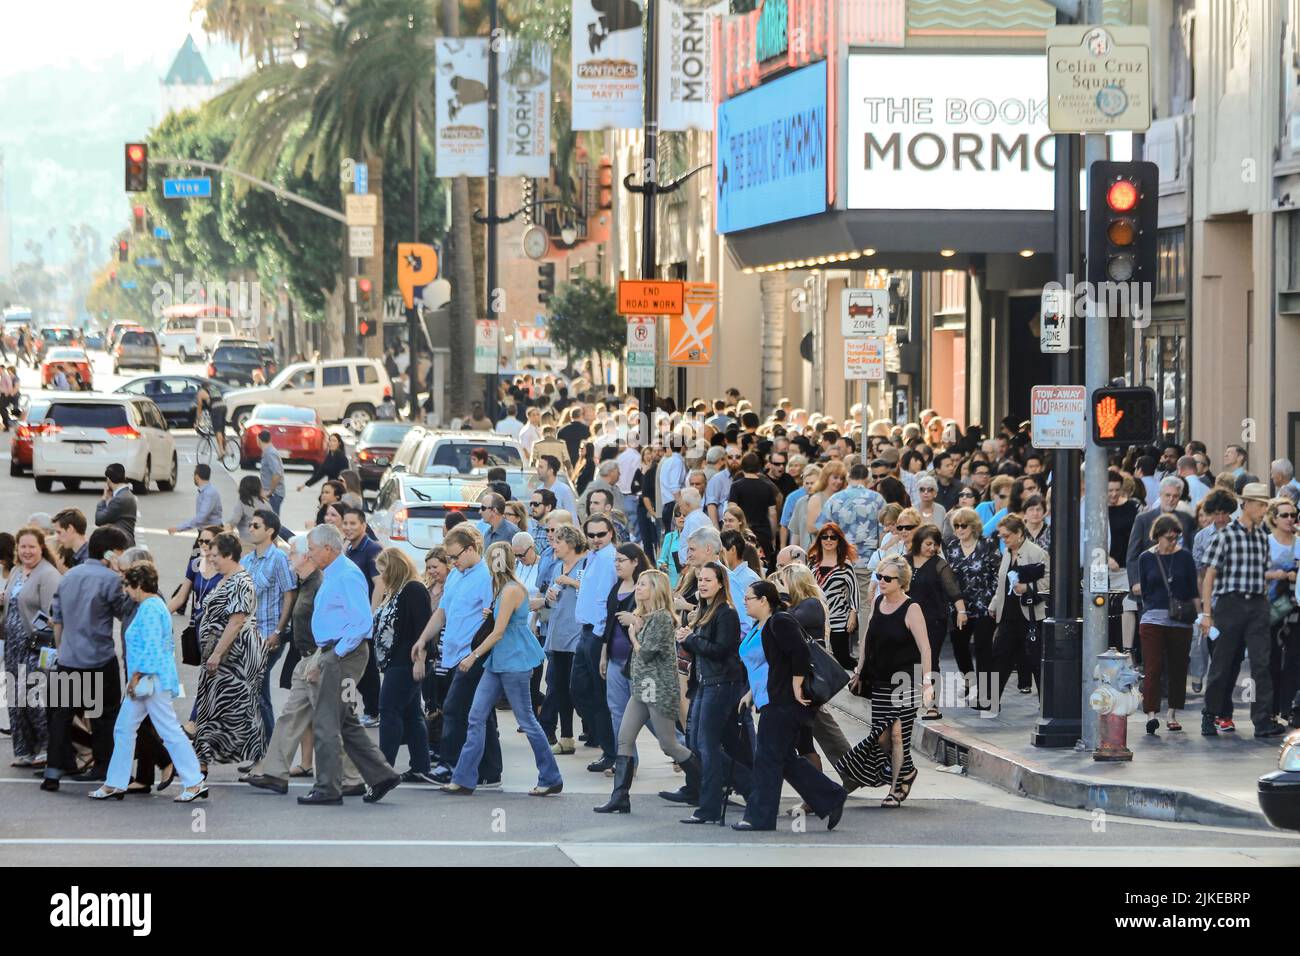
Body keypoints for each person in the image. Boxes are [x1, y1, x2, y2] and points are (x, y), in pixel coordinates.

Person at [440, 543, 564, 796]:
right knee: (476, 716)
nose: (494, 563)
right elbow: (509, 618)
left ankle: (550, 776)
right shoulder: (503, 589)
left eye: (496, 559)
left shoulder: (508, 590)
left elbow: (498, 632)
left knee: (527, 720)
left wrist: (472, 656)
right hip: (499, 662)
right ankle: (464, 778)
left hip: (513, 662)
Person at [244, 534, 364, 795]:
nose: (290, 559)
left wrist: (324, 658)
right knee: (292, 715)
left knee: (334, 722)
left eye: (294, 554)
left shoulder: (325, 580)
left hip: (322, 657)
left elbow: (352, 623)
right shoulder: (307, 582)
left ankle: (352, 778)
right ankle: (275, 773)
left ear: (307, 556)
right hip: (308, 657)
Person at [297, 523, 403, 805]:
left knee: (326, 721)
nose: (308, 555)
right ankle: (381, 775)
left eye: (311, 549)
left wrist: (334, 655)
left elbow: (362, 622)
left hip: (344, 655)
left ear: (328, 549)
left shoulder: (345, 575)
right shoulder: (335, 573)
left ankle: (327, 787)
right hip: (336, 652)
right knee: (344, 721)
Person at [732, 581, 847, 831]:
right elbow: (766, 664)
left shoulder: (780, 621)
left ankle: (759, 817)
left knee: (766, 759)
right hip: (770, 698)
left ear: (764, 600)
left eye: (749, 598)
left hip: (784, 701)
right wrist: (751, 693)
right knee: (782, 759)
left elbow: (800, 653)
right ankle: (831, 795)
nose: (745, 601)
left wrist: (796, 685)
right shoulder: (759, 625)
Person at [88, 564, 208, 803]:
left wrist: (135, 677)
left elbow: (151, 647)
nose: (126, 590)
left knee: (164, 729)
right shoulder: (153, 606)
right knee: (126, 728)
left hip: (149, 681)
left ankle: (194, 782)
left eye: (128, 585)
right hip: (150, 680)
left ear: (139, 586)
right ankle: (116, 782)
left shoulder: (150, 608)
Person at [593, 569, 699, 813]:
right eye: (638, 584)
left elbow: (647, 653)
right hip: (642, 687)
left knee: (669, 744)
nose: (638, 588)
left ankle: (704, 785)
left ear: (656, 590)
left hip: (658, 687)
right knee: (624, 738)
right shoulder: (645, 616)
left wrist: (633, 635)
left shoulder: (661, 618)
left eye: (643, 585)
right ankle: (620, 796)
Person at [40, 526, 133, 790]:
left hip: (68, 656)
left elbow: (56, 619)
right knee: (104, 714)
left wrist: (62, 650)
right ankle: (102, 765)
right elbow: (123, 612)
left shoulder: (69, 576)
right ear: (109, 553)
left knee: (61, 716)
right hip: (98, 657)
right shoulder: (111, 580)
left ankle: (54, 771)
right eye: (119, 552)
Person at [836, 555, 934, 806]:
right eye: (879, 576)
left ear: (901, 582)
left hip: (906, 681)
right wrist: (859, 670)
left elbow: (925, 648)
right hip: (880, 679)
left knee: (899, 733)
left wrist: (927, 683)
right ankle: (907, 772)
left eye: (887, 578)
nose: (881, 581)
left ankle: (894, 790)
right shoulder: (878, 602)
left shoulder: (912, 608)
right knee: (881, 737)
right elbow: (867, 638)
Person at [413, 525, 502, 787]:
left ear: (471, 549)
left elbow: (493, 621)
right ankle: (490, 770)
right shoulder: (456, 576)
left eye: (455, 557)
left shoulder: (485, 577)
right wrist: (423, 638)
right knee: (480, 714)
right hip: (452, 655)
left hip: (472, 656)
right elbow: (442, 612)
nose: (453, 562)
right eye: (449, 558)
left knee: (453, 709)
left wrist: (477, 655)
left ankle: (449, 764)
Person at [1200, 483, 1289, 738]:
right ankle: (1210, 714)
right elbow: (1209, 576)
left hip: (1257, 604)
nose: (1264, 510)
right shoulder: (1225, 535)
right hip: (1230, 604)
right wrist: (1207, 614)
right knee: (1222, 663)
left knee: (1261, 663)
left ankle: (1262, 721)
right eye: (1260, 505)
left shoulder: (1262, 536)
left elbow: (1261, 572)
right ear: (1247, 504)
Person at [676, 561, 749, 824]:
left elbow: (721, 649)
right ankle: (750, 785)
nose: (703, 584)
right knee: (696, 744)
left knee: (706, 746)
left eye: (708, 579)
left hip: (721, 684)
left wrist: (690, 639)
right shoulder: (705, 610)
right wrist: (689, 636)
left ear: (720, 583)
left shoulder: (725, 612)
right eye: (701, 580)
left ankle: (709, 807)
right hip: (705, 683)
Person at [193, 533, 267, 776]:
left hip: (235, 658)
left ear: (228, 555)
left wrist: (216, 653)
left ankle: (259, 762)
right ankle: (201, 760)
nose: (211, 560)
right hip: (220, 656)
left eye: (215, 555)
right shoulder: (225, 578)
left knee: (241, 709)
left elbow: (236, 622)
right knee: (210, 707)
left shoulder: (241, 582)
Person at [372, 547, 435, 781]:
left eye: (384, 571)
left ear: (395, 568)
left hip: (407, 660)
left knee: (389, 710)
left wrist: (420, 660)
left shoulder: (413, 589)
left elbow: (423, 628)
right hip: (394, 660)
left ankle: (383, 768)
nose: (382, 576)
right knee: (411, 714)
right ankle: (421, 766)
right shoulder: (394, 591)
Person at [1133, 514, 1199, 734]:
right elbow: (1144, 587)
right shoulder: (1146, 558)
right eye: (1168, 538)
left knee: (1178, 668)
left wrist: (1200, 615)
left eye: (1176, 538)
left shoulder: (1185, 557)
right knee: (1152, 667)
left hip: (1180, 620)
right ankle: (1151, 713)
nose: (1173, 542)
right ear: (1157, 537)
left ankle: (1172, 712)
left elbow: (1193, 590)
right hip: (1153, 617)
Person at [3, 526, 63, 769]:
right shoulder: (17, 571)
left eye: (32, 547)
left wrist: (51, 653)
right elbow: (13, 599)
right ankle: (24, 749)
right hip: (13, 644)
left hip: (37, 646)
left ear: (41, 548)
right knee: (16, 700)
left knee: (34, 698)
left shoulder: (48, 575)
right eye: (23, 546)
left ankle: (47, 747)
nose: (26, 551)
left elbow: (52, 614)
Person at [241, 510, 297, 738]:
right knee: (252, 692)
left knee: (258, 689)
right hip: (248, 636)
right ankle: (260, 749)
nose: (250, 529)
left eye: (256, 526)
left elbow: (289, 596)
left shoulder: (279, 559)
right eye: (250, 525)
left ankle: (268, 751)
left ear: (270, 531)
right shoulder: (247, 560)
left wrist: (278, 631)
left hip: (269, 635)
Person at [987, 516, 1051, 711]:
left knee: (1035, 660)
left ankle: (1047, 704)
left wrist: (1028, 587)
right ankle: (990, 700)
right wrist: (994, 604)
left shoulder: (1037, 553)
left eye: (1006, 536)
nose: (1003, 539)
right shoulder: (1007, 552)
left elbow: (1049, 581)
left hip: (1030, 615)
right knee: (999, 656)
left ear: (1019, 533)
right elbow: (1002, 584)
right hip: (1008, 614)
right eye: (1001, 536)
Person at [571, 514, 619, 772]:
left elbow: (604, 600)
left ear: (610, 533)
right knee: (579, 691)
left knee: (600, 697)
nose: (596, 539)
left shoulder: (609, 559)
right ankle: (608, 748)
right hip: (586, 630)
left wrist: (600, 638)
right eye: (591, 535)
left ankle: (613, 753)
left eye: (601, 534)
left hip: (596, 633)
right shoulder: (593, 557)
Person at [598, 543, 653, 763]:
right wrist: (603, 654)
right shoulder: (617, 587)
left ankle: (682, 751)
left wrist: (635, 621)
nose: (617, 564)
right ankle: (627, 762)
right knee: (617, 712)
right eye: (616, 560)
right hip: (614, 659)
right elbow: (608, 625)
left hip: (639, 662)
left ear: (635, 562)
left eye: (621, 560)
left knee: (651, 715)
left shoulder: (646, 589)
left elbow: (659, 621)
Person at [906, 526, 966, 720]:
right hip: (907, 620)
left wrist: (961, 611)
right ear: (919, 543)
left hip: (934, 620)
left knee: (930, 662)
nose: (932, 548)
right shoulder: (904, 562)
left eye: (935, 544)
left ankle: (933, 705)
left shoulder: (940, 565)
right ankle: (911, 701)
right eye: (928, 544)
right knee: (908, 660)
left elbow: (953, 590)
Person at [944, 507, 1000, 708]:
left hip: (985, 605)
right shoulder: (952, 547)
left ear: (973, 526)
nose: (960, 529)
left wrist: (993, 599)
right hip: (959, 605)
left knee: (983, 648)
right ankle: (969, 682)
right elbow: (947, 577)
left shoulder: (987, 545)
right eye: (956, 525)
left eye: (963, 525)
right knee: (959, 645)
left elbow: (998, 574)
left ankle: (988, 697)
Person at [540, 524, 586, 754]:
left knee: (578, 689)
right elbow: (551, 597)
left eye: (558, 541)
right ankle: (566, 736)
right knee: (558, 688)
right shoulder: (558, 565)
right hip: (557, 633)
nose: (554, 545)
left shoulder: (584, 565)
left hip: (577, 634)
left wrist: (573, 583)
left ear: (570, 543)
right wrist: (548, 597)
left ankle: (597, 731)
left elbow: (591, 592)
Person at [1265, 498, 1300, 722]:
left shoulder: (1299, 542)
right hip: (1272, 608)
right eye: (1284, 515)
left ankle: (1289, 707)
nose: (1290, 519)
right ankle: (1271, 709)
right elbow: (1256, 572)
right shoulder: (1266, 542)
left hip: (1296, 607)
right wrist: (1278, 574)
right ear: (1273, 518)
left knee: (1295, 658)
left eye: (1293, 515)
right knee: (1272, 659)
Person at [809, 522, 859, 669]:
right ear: (820, 540)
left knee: (842, 658)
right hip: (816, 618)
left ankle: (859, 675)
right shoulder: (812, 562)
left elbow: (854, 589)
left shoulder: (845, 564)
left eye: (833, 537)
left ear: (839, 540)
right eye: (825, 537)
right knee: (819, 658)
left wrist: (853, 613)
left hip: (838, 618)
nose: (829, 540)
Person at [167, 463, 223, 538]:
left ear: (196, 476)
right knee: (196, 549)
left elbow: (201, 518)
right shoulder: (206, 491)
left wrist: (179, 528)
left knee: (198, 549)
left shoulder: (209, 493)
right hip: (207, 532)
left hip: (211, 534)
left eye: (194, 475)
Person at [95, 463, 138, 546]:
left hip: (120, 544)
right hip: (125, 541)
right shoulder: (126, 494)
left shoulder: (119, 499)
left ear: (108, 479)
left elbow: (99, 520)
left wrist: (104, 498)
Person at [231, 475, 263, 544]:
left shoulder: (242, 503)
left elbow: (233, 521)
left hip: (248, 543)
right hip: (265, 544)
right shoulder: (266, 504)